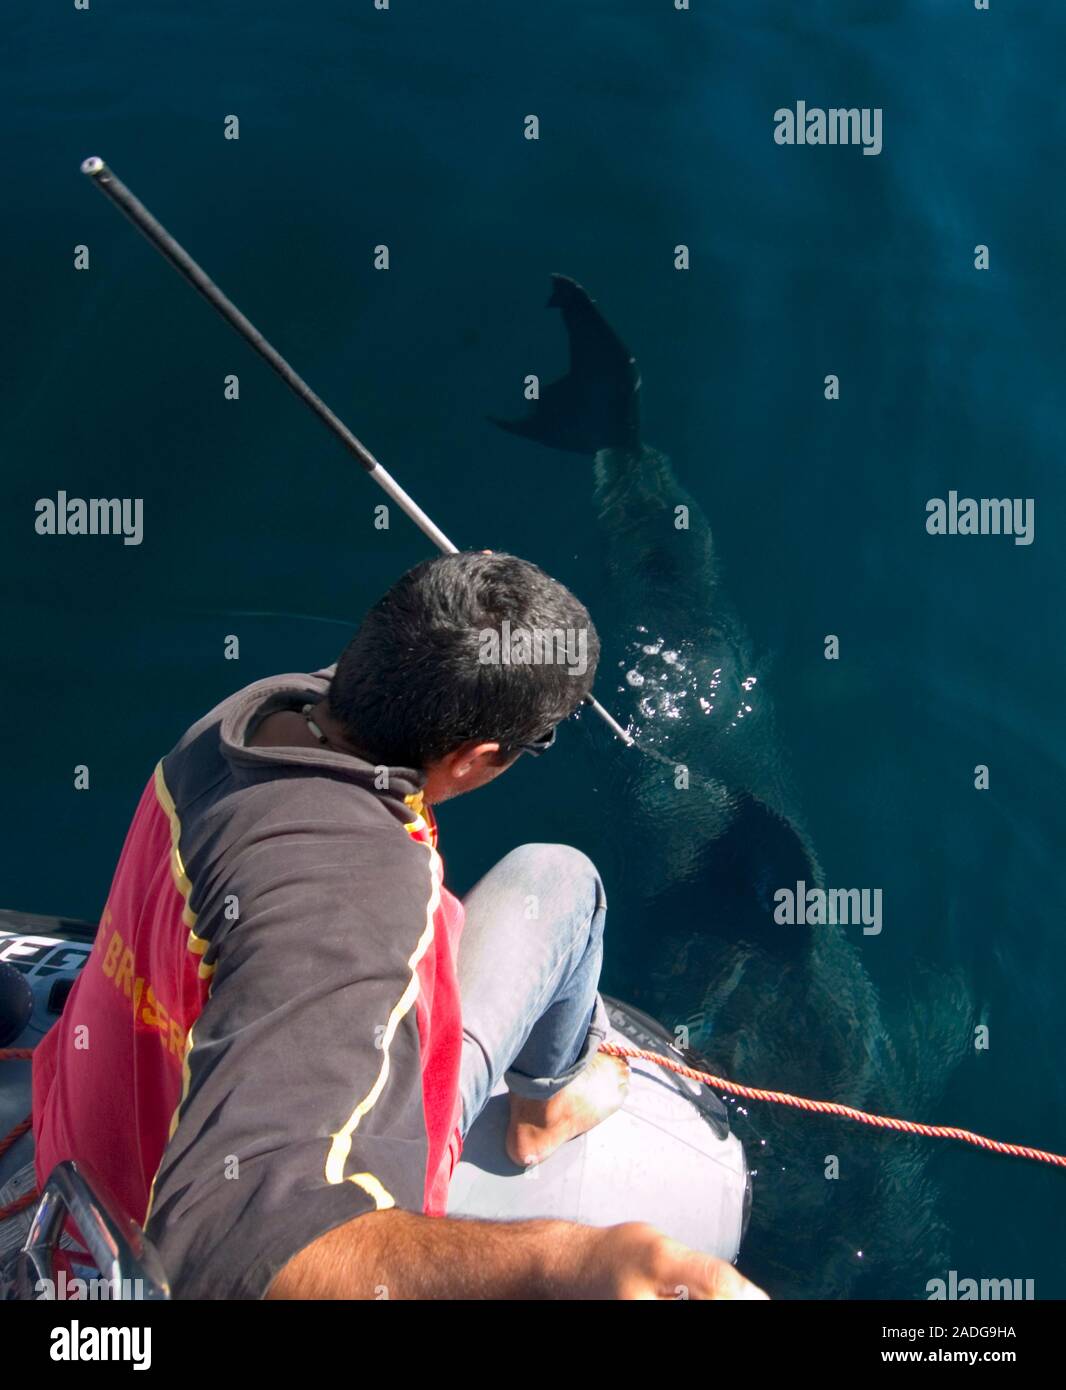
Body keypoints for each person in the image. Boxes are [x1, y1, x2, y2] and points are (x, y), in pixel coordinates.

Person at [32, 550, 766, 1300]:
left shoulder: (249, 715)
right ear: (476, 758)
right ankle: (545, 1108)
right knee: (561, 881)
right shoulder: (357, 912)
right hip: (140, 1233)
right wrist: (567, 1263)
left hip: (78, 1149)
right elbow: (224, 1248)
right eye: (533, 744)